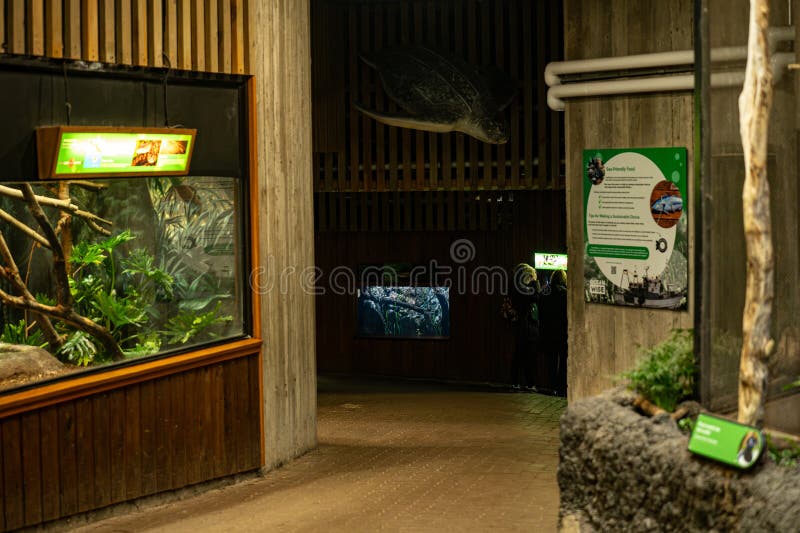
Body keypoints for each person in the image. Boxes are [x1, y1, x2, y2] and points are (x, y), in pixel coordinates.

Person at [501, 263, 540, 391]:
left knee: (523, 354)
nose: (534, 278)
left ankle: (519, 382)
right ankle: (526, 383)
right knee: (524, 354)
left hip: (525, 325)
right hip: (525, 325)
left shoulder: (517, 288)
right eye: (532, 276)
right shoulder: (521, 288)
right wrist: (535, 284)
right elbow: (535, 297)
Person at [539, 269, 567, 395]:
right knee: (563, 359)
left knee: (551, 360)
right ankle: (561, 387)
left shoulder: (545, 291)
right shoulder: (564, 292)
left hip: (547, 330)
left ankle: (551, 386)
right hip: (561, 330)